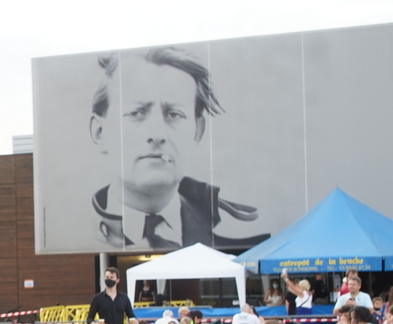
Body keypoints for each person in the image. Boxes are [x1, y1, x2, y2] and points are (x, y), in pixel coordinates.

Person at [85, 46, 267, 250]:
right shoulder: (75, 233)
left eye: (174, 114)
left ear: (198, 131)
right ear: (100, 132)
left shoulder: (243, 234)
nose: (157, 134)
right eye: (136, 113)